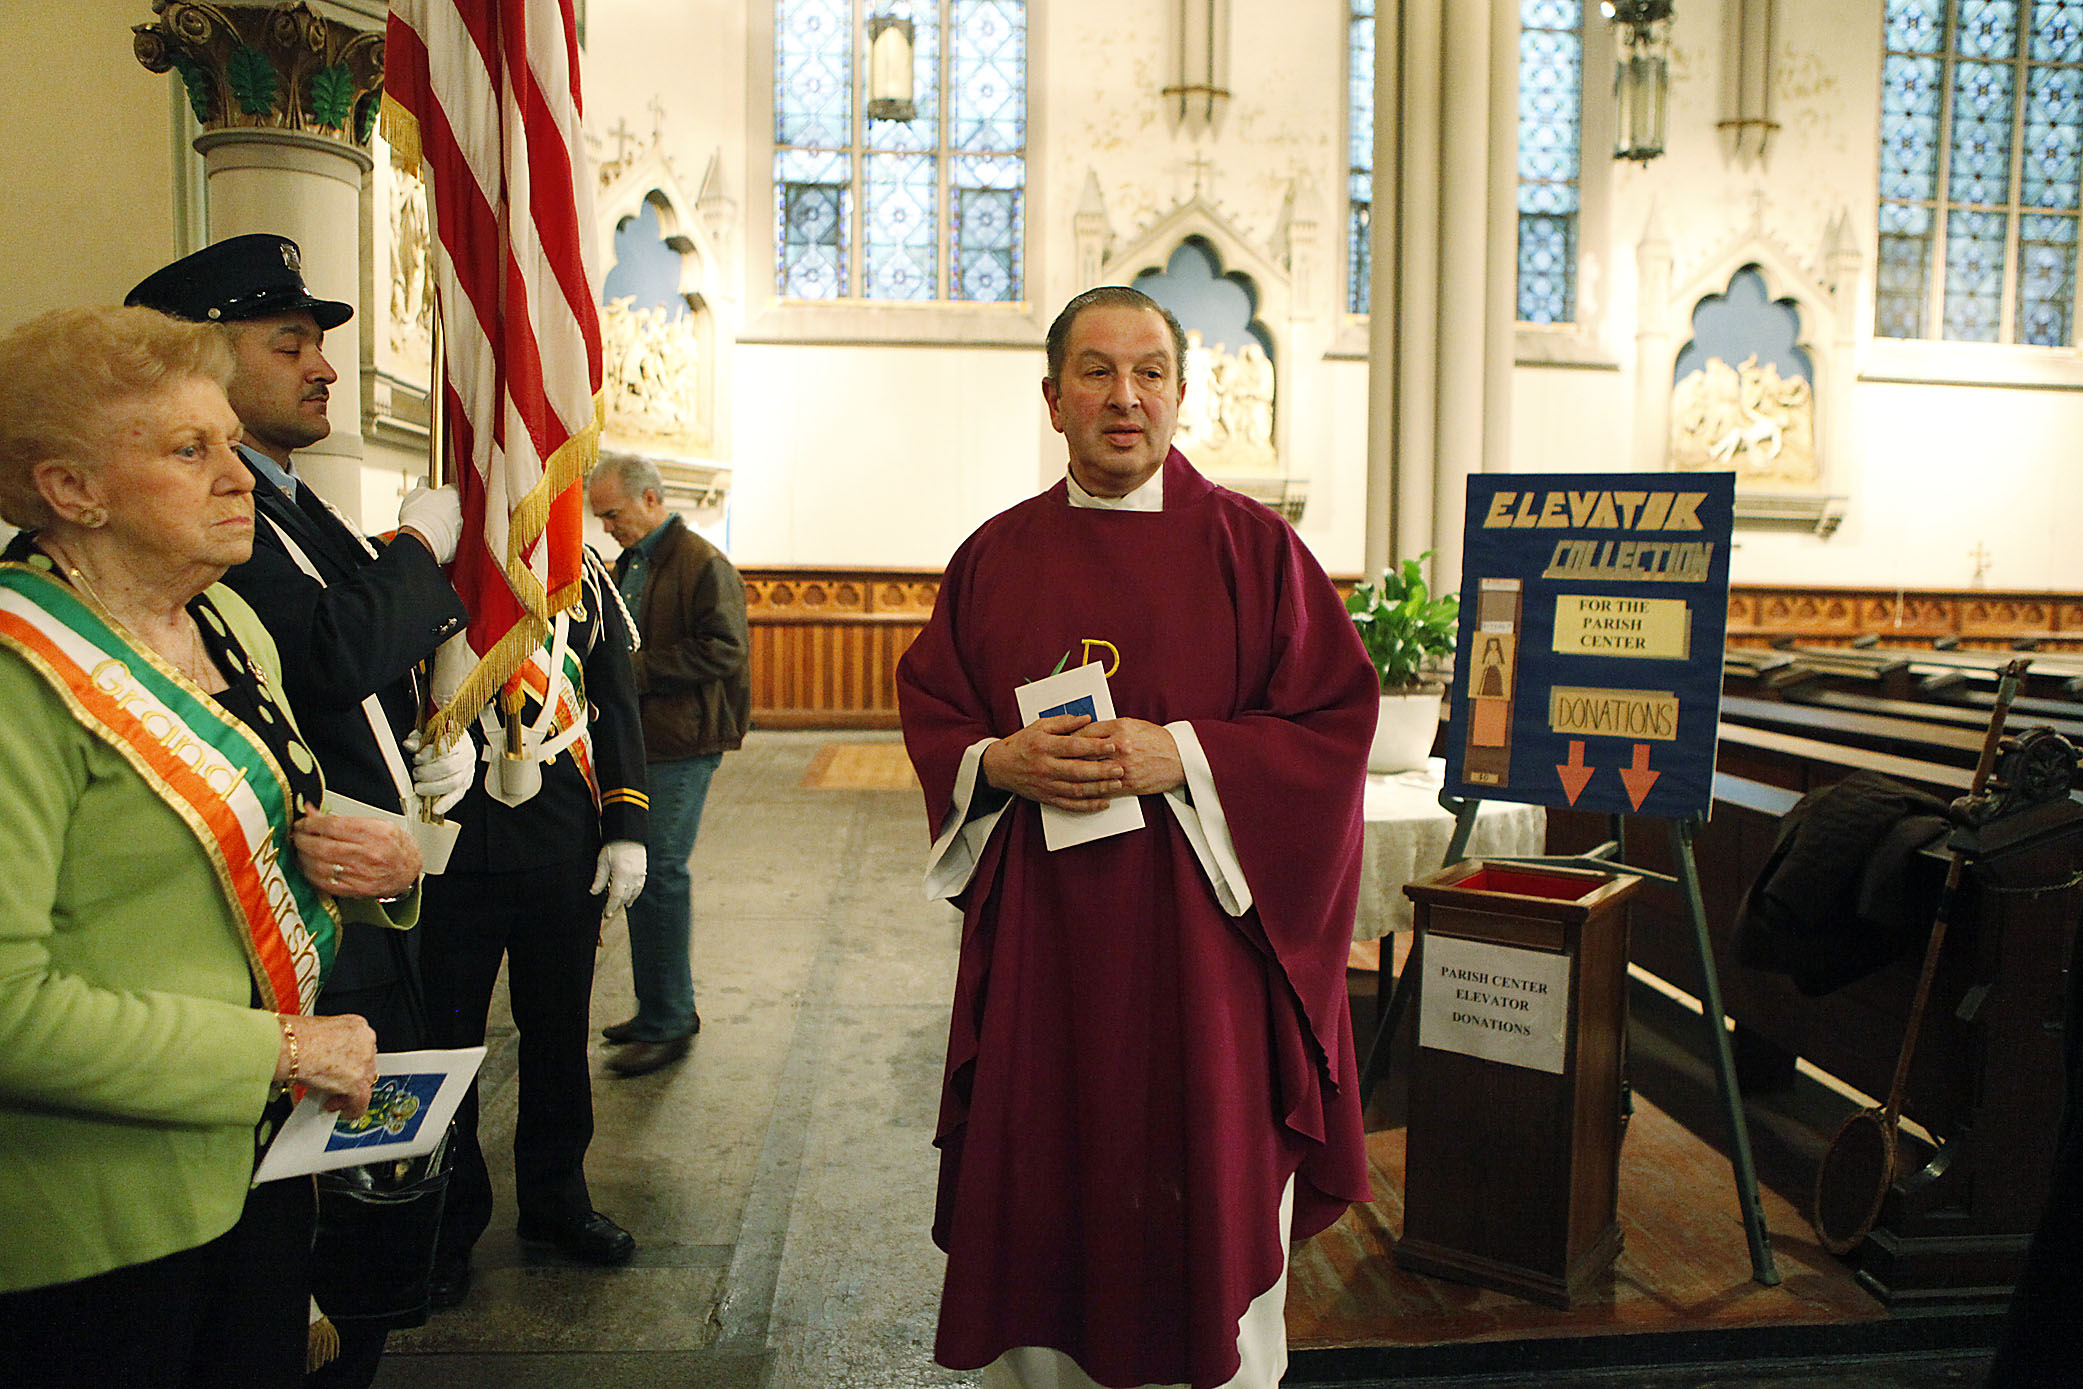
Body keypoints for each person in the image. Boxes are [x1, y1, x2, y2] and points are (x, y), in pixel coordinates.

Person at [895, 286, 1377, 1389]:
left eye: (1150, 371)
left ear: (1181, 391)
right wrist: (994, 762)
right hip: (1044, 964)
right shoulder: (995, 556)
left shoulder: (1256, 551)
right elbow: (938, 714)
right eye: (1099, 373)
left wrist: (1193, 757)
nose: (1127, 397)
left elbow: (1332, 728)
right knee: (1045, 1187)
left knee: (1204, 1192)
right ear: (1053, 397)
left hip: (1205, 971)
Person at [0, 305, 418, 1386]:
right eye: (190, 452)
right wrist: (278, 1053)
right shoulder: (17, 679)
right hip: (103, 1211)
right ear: (70, 490)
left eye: (229, 442)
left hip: (262, 1162)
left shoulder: (225, 628)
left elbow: (267, 847)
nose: (238, 478)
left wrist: (384, 868)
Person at [126, 234, 474, 1384]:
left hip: (363, 911)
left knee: (365, 1241)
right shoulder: (213, 533)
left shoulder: (294, 505)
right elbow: (330, 653)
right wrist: (421, 548)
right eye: (289, 342)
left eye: (322, 339)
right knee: (306, 1276)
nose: (321, 363)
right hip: (291, 957)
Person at [419, 546, 651, 1305]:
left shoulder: (580, 573)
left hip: (559, 835)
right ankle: (446, 1223)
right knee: (445, 1042)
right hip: (450, 835)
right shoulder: (429, 558)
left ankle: (556, 1200)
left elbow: (613, 702)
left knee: (557, 1030)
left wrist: (626, 825)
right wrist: (412, 754)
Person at [585, 455, 751, 1077]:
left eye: (614, 514)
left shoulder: (701, 563)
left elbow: (726, 650)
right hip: (647, 741)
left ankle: (671, 1021)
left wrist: (635, 673)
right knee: (644, 878)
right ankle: (656, 1007)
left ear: (651, 499)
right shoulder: (635, 561)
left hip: (683, 742)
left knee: (659, 875)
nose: (607, 528)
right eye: (601, 517)